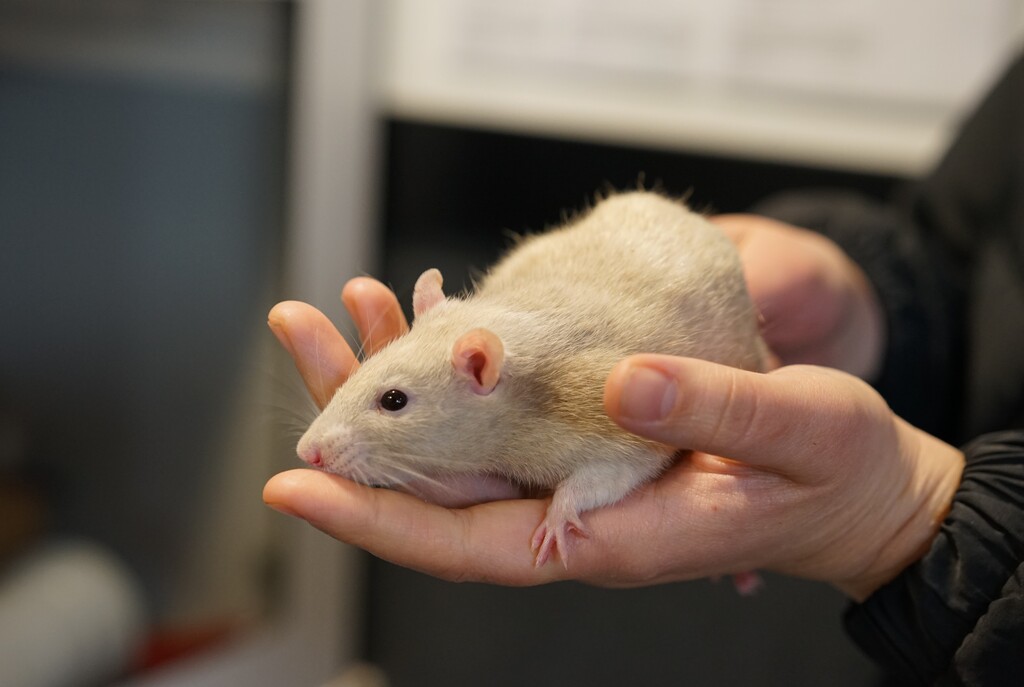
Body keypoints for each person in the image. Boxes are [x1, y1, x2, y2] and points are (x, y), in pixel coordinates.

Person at [264, 52, 1024, 685]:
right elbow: (963, 246)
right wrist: (870, 304)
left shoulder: (574, 394)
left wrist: (902, 514)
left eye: (393, 401)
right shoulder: (476, 347)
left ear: (482, 371)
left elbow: (633, 445)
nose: (316, 444)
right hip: (606, 261)